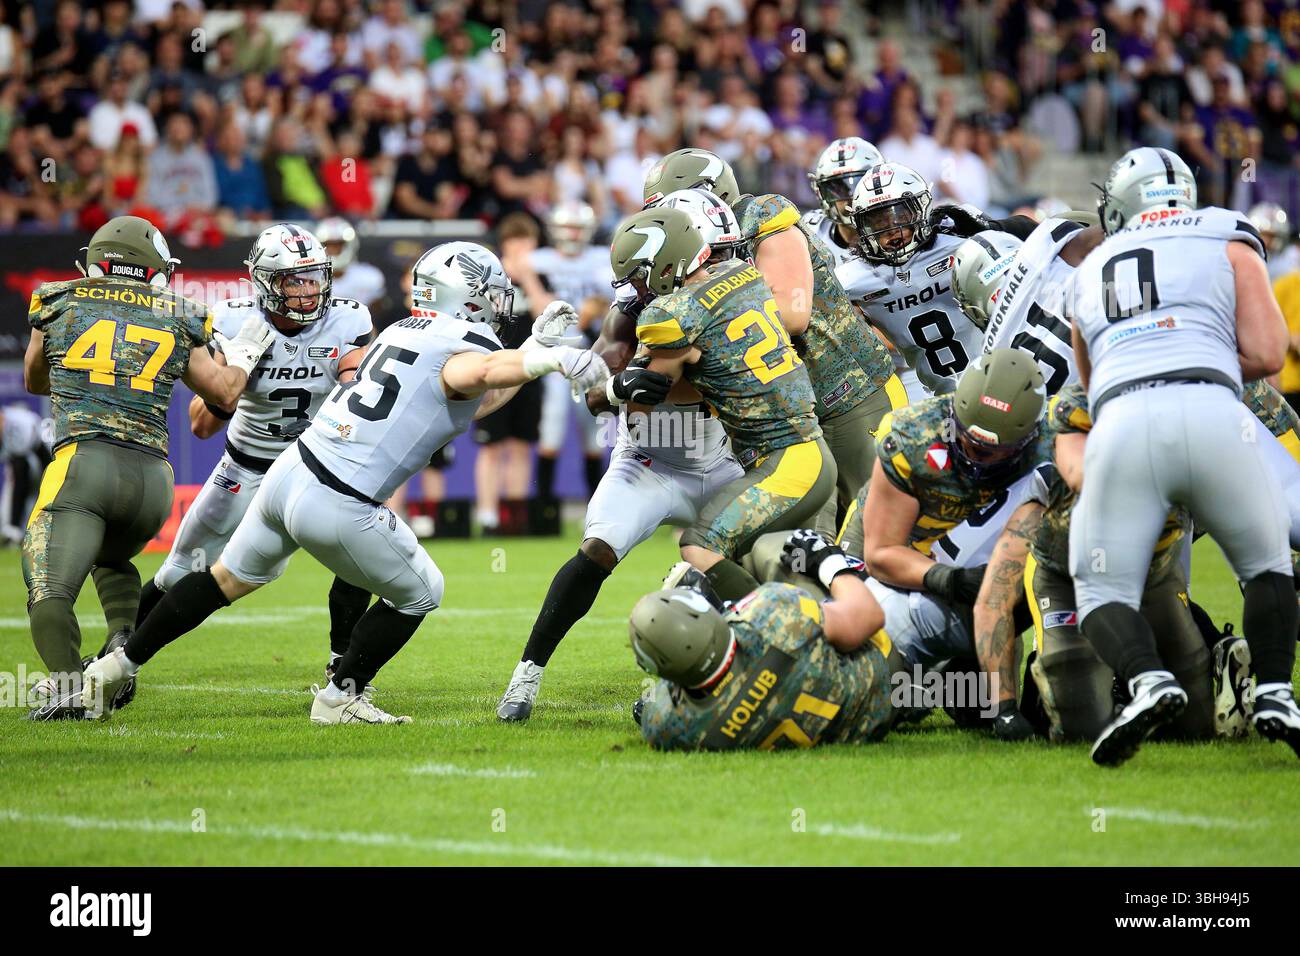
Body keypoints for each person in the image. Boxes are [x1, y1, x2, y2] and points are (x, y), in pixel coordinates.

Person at [83, 243, 610, 724]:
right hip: (338, 497)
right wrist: (553, 357)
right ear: (466, 296)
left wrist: (534, 353)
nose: (497, 304)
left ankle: (114, 669)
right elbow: (481, 373)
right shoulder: (465, 346)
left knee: (223, 581)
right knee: (423, 591)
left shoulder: (404, 329)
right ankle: (340, 696)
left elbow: (475, 396)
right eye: (488, 294)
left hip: (290, 471)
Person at [1064, 147, 1298, 765]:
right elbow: (1271, 352)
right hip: (1212, 408)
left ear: (1120, 205)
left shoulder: (1088, 269)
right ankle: (1276, 691)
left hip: (1121, 422)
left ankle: (1147, 680)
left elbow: (1090, 380)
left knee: (1101, 586)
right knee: (1265, 562)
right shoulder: (1225, 230)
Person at [496, 190, 744, 722]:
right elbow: (598, 388)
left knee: (748, 563)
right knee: (597, 551)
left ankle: (711, 678)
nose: (631, 287)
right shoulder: (633, 307)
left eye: (641, 273)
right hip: (648, 461)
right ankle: (525, 676)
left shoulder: (734, 297)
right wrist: (618, 384)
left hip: (721, 458)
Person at [23, 216, 273, 720]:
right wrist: (243, 356)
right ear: (153, 270)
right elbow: (224, 392)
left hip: (83, 464)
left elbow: (35, 379)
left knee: (48, 590)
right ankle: (120, 647)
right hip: (152, 481)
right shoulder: (179, 312)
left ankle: (74, 691)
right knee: (113, 561)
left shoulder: (58, 298)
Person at [136, 223, 376, 690]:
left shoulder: (349, 319)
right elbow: (200, 425)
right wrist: (238, 368)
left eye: (314, 278)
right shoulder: (229, 320)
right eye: (294, 280)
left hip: (317, 470)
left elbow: (359, 396)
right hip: (248, 466)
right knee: (181, 568)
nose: (308, 292)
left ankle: (342, 670)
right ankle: (116, 656)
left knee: (360, 557)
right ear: (265, 281)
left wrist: (352, 381)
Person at [623, 206, 834, 602]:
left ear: (664, 264)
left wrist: (615, 384)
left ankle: (764, 632)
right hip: (806, 452)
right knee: (768, 560)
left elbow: (642, 405)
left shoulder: (672, 313)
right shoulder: (740, 276)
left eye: (639, 276)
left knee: (697, 547)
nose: (639, 289)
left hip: (786, 459)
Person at [631, 529, 893, 751]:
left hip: (858, 720)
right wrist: (828, 562)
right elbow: (867, 615)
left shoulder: (666, 727)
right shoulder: (774, 612)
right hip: (889, 666)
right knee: (772, 549)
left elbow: (656, 703)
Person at [531, 201, 614, 502]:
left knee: (592, 430)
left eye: (577, 228)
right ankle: (543, 507)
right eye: (567, 227)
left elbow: (611, 302)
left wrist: (598, 306)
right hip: (550, 355)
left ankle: (596, 503)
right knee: (550, 425)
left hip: (589, 352)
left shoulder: (600, 260)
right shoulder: (538, 261)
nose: (572, 234)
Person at [0, 404, 50, 543]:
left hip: (39, 453)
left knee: (41, 489)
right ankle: (13, 530)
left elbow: (24, 452)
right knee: (17, 485)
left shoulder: (18, 421)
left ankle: (19, 530)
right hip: (25, 458)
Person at [316, 217, 387, 311]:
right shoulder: (311, 279)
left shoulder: (370, 277)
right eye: (329, 245)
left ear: (349, 245)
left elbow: (377, 316)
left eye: (338, 245)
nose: (333, 250)